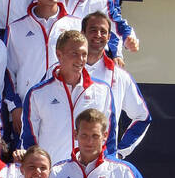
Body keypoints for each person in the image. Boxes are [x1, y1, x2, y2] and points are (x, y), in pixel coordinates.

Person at [21, 29, 116, 163]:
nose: (81, 59)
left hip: (89, 176)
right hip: (50, 177)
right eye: (75, 54)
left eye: (84, 54)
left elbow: (110, 139)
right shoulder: (37, 94)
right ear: (59, 54)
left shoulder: (103, 90)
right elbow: (28, 144)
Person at [4, 0, 68, 132]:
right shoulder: (16, 28)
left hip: (63, 110)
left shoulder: (74, 25)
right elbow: (8, 72)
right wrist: (14, 106)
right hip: (27, 111)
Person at [81, 13, 150, 153]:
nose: (98, 35)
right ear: (83, 33)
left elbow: (143, 116)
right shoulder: (62, 71)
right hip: (65, 164)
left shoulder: (119, 77)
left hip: (103, 165)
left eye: (103, 32)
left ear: (108, 38)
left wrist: (120, 152)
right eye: (93, 30)